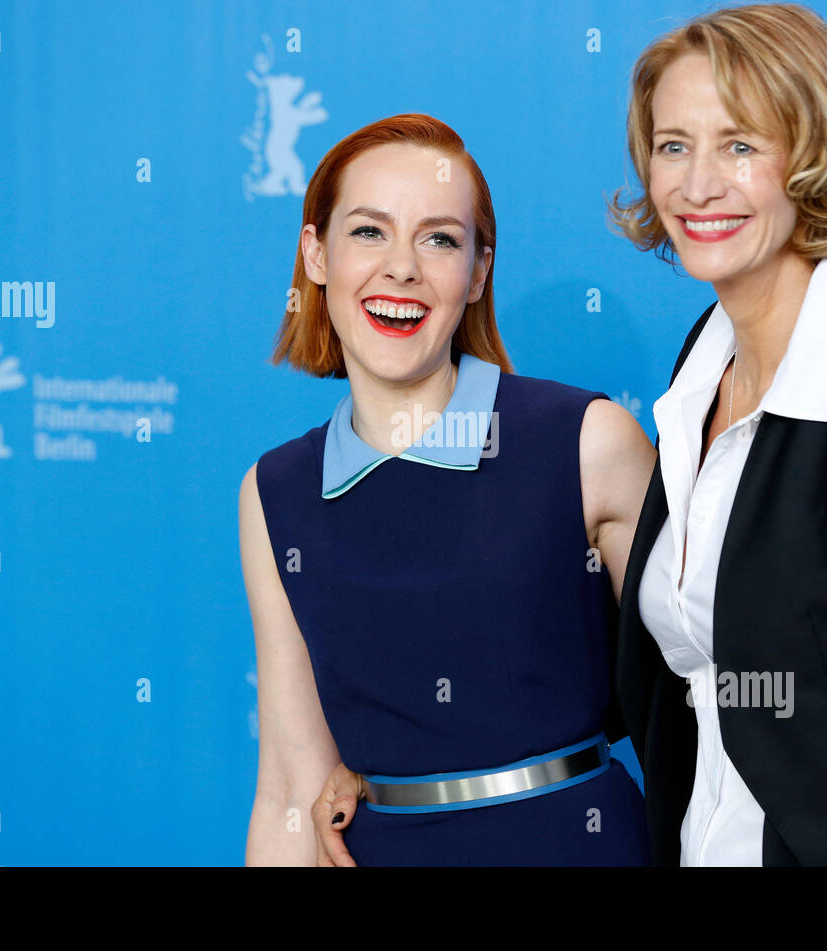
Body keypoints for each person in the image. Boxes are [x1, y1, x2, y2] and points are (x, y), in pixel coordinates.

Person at [317, 3, 827, 867]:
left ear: (817, 156)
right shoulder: (699, 380)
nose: (696, 185)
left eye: (741, 145)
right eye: (673, 145)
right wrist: (393, 766)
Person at [240, 113, 657, 865]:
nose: (402, 267)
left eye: (439, 239)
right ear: (316, 254)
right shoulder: (277, 491)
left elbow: (700, 717)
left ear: (478, 272)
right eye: (368, 231)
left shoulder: (589, 442)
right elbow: (286, 789)